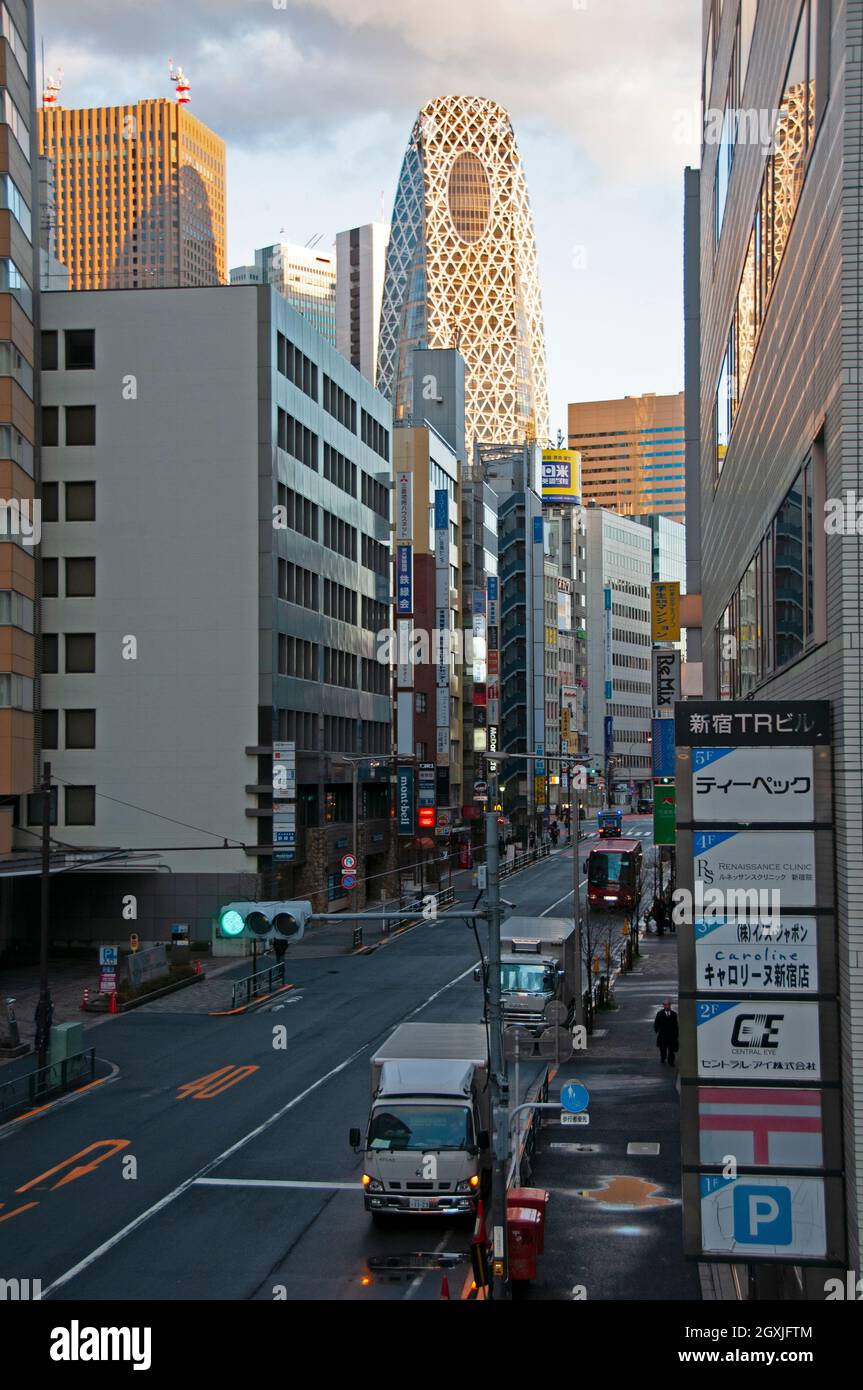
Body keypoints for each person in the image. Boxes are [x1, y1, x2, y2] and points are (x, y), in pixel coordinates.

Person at [654, 999, 679, 1066]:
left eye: (668, 1005)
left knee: (671, 1050)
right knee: (663, 1049)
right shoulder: (659, 1014)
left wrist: (676, 1035)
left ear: (670, 1005)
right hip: (663, 1035)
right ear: (663, 1006)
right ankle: (663, 1057)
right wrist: (657, 1030)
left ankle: (671, 1062)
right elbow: (656, 1023)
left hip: (671, 1036)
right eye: (665, 1005)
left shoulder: (674, 1014)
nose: (666, 1006)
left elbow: (675, 1025)